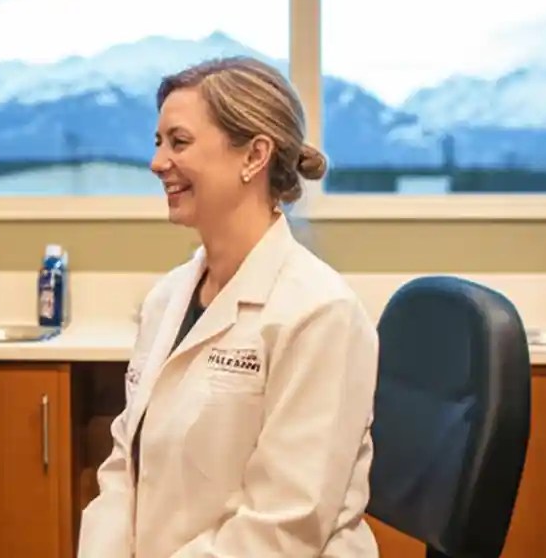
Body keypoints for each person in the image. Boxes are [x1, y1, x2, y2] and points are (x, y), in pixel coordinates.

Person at [76, 57, 381, 557]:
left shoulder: (320, 314)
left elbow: (284, 524)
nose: (157, 163)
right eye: (158, 143)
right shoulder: (167, 300)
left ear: (254, 156)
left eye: (179, 142)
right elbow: (123, 469)